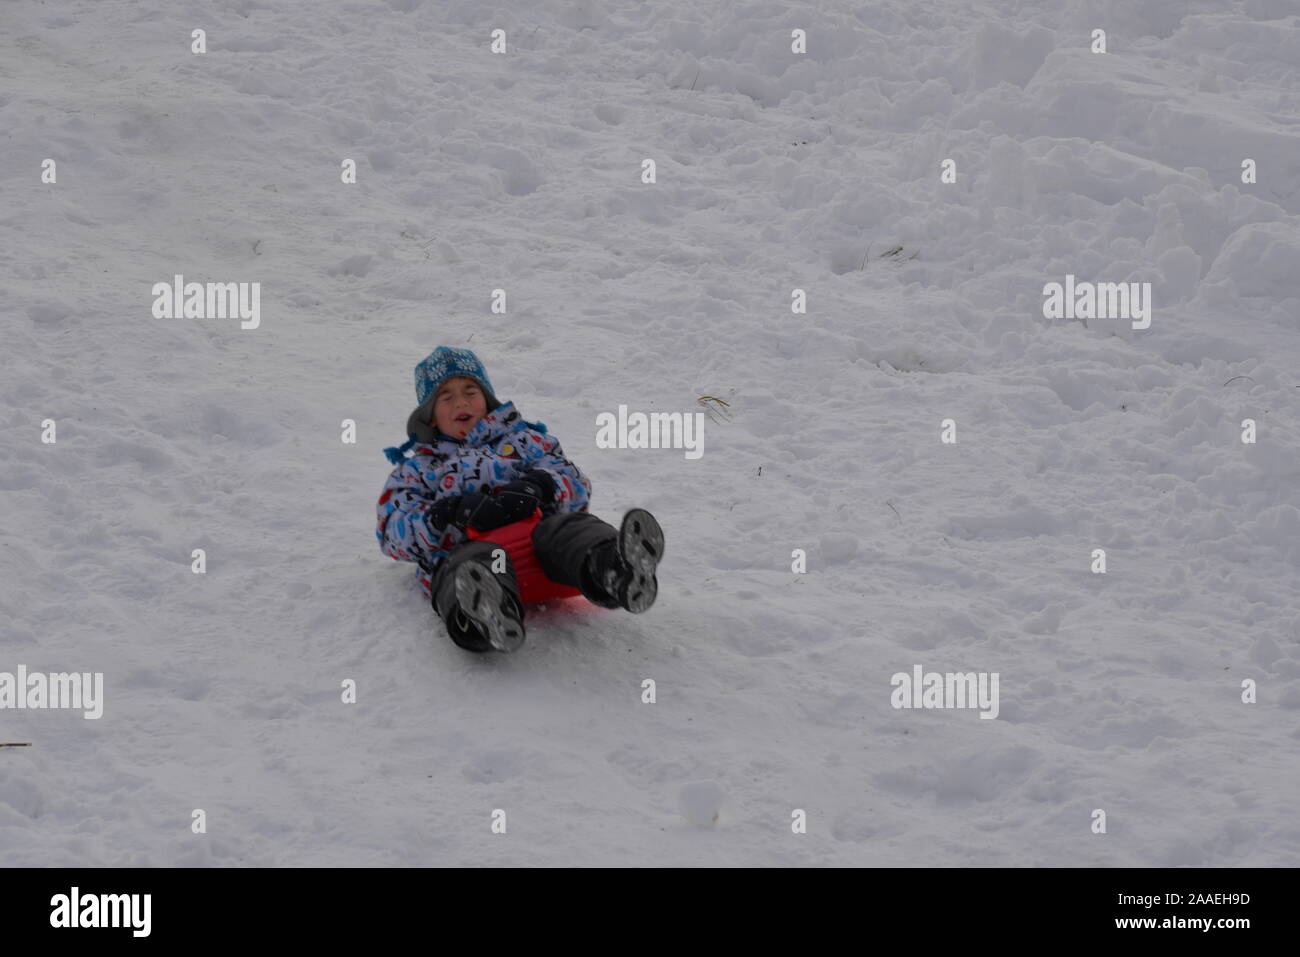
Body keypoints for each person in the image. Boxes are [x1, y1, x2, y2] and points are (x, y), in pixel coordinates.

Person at [376, 346, 664, 653]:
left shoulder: (524, 440)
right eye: (446, 397)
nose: (461, 401)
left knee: (573, 528)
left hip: (544, 550)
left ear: (486, 400)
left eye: (471, 391)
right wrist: (443, 514)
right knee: (461, 568)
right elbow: (392, 530)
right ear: (431, 418)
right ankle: (482, 616)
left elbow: (575, 483)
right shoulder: (418, 469)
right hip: (476, 557)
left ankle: (615, 568)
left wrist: (540, 485)